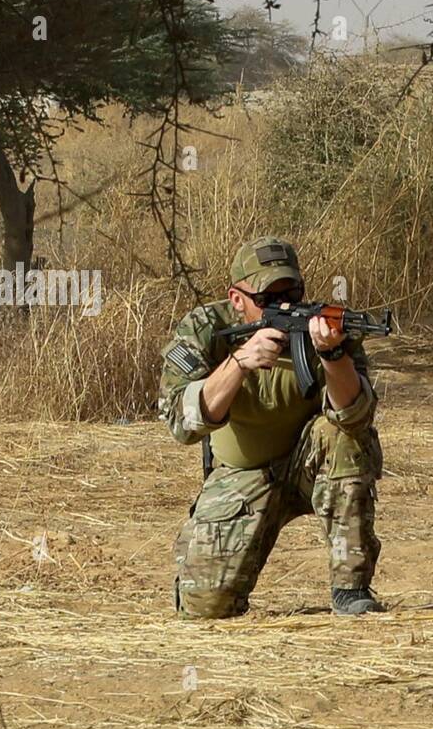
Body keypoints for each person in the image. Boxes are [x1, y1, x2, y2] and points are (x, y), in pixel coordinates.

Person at [158, 237, 383, 618]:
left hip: (311, 463)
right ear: (236, 299)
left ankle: (351, 589)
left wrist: (332, 354)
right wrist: (240, 362)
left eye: (292, 293)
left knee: (342, 437)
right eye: (268, 298)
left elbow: (356, 417)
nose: (283, 306)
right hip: (242, 474)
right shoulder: (205, 328)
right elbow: (181, 425)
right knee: (205, 609)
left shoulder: (328, 327)